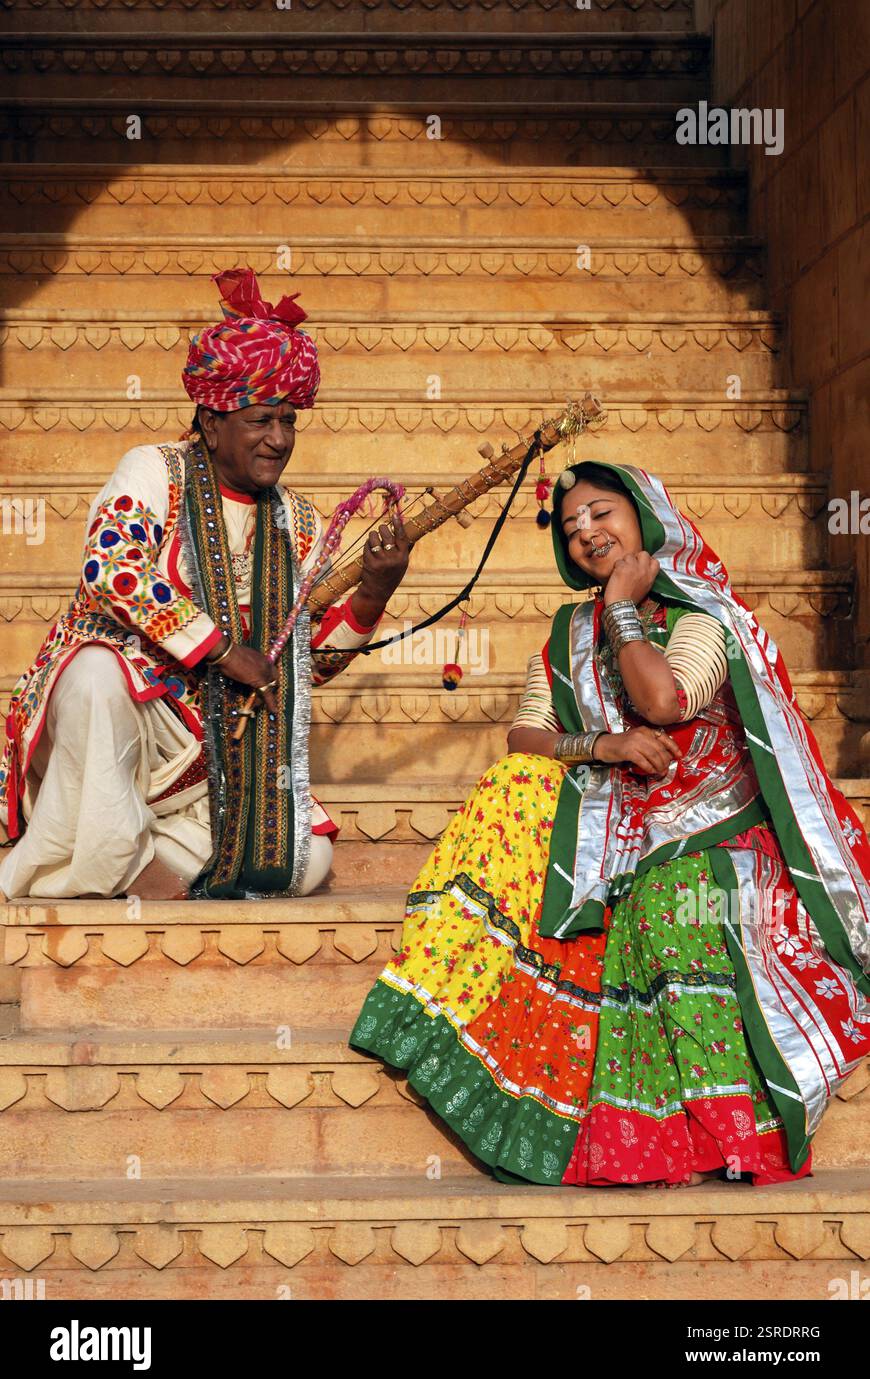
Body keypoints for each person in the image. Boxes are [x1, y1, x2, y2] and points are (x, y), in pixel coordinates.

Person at [349, 459, 870, 1187]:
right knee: (516, 784)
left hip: (711, 821)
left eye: (602, 515)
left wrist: (625, 608)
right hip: (616, 811)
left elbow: (664, 703)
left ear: (646, 519)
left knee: (666, 906)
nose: (587, 534)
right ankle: (451, 990)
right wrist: (603, 744)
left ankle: (713, 1128)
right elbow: (526, 736)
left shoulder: (705, 614)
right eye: (571, 528)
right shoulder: (567, 633)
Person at [0, 267, 410, 901]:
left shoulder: (297, 521)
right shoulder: (154, 469)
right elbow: (113, 571)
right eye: (261, 420)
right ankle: (119, 853)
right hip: (125, 710)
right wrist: (222, 651)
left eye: (289, 421)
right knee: (95, 678)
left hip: (213, 738)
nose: (279, 439)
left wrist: (372, 596)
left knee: (307, 861)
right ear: (212, 423)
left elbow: (302, 664)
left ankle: (125, 847)